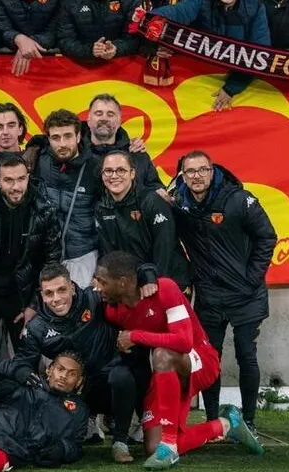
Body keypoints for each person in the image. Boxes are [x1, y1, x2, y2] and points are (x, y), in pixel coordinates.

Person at [94, 251, 263, 469]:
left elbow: (184, 341)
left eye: (102, 282)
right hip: (163, 373)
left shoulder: (165, 289)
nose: (97, 287)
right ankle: (227, 424)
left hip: (200, 360)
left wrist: (134, 336)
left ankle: (170, 445)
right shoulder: (113, 312)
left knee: (162, 354)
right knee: (152, 447)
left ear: (123, 282)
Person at [171, 151, 277, 434]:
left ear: (212, 170)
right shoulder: (178, 204)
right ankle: (211, 423)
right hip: (209, 297)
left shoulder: (239, 199)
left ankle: (250, 421)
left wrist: (252, 276)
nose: (197, 176)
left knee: (246, 355)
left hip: (246, 295)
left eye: (202, 170)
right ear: (182, 175)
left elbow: (267, 237)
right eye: (190, 171)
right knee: (210, 359)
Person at [17, 264, 149, 463]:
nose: (56, 299)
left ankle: (120, 441)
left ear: (71, 286)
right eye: (49, 293)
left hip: (112, 380)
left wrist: (149, 275)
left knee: (123, 375)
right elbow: (22, 365)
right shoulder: (36, 327)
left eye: (61, 290)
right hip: (77, 392)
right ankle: (80, 424)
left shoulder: (93, 298)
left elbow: (130, 274)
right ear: (42, 295)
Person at [0, 154, 61, 367]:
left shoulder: (44, 209)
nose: (16, 186)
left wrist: (34, 305)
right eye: (9, 180)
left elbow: (52, 261)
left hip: (23, 294)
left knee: (28, 360)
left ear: (28, 177)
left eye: (21, 179)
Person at [151, 0, 270, 111]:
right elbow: (180, 11)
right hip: (203, 75)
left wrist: (232, 88)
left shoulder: (255, 8)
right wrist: (150, 15)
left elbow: (260, 54)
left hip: (238, 77)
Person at [96, 151, 189, 288]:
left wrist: (153, 280)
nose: (114, 176)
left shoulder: (152, 201)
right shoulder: (101, 208)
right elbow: (110, 254)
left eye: (121, 170)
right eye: (108, 171)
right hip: (134, 284)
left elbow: (164, 249)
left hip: (169, 281)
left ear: (132, 173)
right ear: (102, 175)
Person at [30, 110, 100, 287]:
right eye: (56, 137)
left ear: (78, 136)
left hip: (83, 257)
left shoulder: (96, 167)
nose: (62, 143)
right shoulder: (39, 162)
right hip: (45, 258)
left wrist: (103, 264)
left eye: (68, 136)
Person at [82, 93, 165, 195]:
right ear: (89, 120)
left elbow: (156, 188)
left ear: (119, 121)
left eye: (110, 114)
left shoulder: (137, 154)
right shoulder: (75, 153)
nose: (104, 118)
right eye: (99, 113)